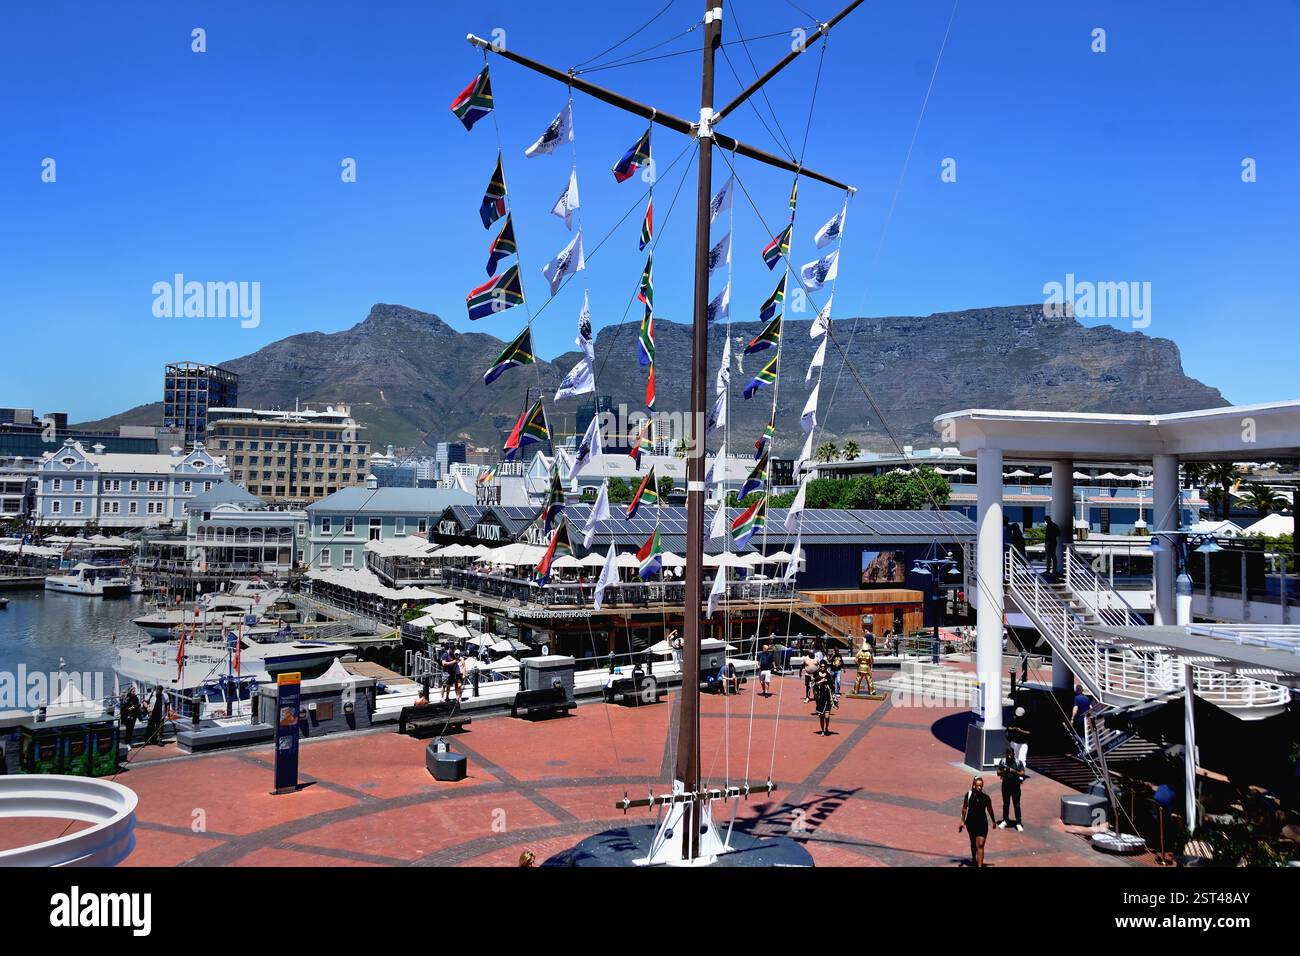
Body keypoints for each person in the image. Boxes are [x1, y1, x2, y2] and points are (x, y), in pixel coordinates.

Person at [959, 776, 997, 867]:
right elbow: (964, 808)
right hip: (971, 822)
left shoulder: (986, 797)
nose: (979, 787)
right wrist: (962, 821)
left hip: (982, 823)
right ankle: (974, 858)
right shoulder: (968, 795)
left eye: (981, 786)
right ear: (974, 786)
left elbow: (990, 810)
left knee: (980, 844)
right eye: (977, 785)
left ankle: (979, 865)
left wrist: (993, 821)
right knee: (973, 842)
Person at [996, 747, 1026, 831]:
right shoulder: (1003, 761)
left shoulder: (1018, 762)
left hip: (1015, 786)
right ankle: (1005, 820)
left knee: (1016, 804)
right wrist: (1004, 771)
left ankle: (1018, 822)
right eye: (1008, 754)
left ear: (1013, 754)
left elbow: (1023, 773)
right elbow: (998, 772)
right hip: (1005, 786)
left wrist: (1014, 771)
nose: (1009, 755)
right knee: (1006, 804)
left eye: (1010, 754)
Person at [812, 662, 834, 735]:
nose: (822, 668)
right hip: (820, 697)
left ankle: (826, 727)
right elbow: (813, 684)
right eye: (821, 666)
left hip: (827, 697)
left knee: (827, 716)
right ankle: (822, 730)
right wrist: (820, 682)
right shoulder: (816, 674)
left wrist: (833, 696)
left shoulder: (828, 675)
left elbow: (832, 686)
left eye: (824, 666)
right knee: (821, 716)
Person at [120, 686, 141, 750]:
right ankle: (127, 743)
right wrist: (129, 708)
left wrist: (136, 707)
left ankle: (129, 742)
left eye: (135, 691)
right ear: (130, 692)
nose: (134, 692)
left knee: (131, 729)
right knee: (128, 730)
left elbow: (137, 705)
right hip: (127, 716)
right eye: (133, 691)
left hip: (133, 716)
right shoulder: (126, 698)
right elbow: (123, 708)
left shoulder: (136, 698)